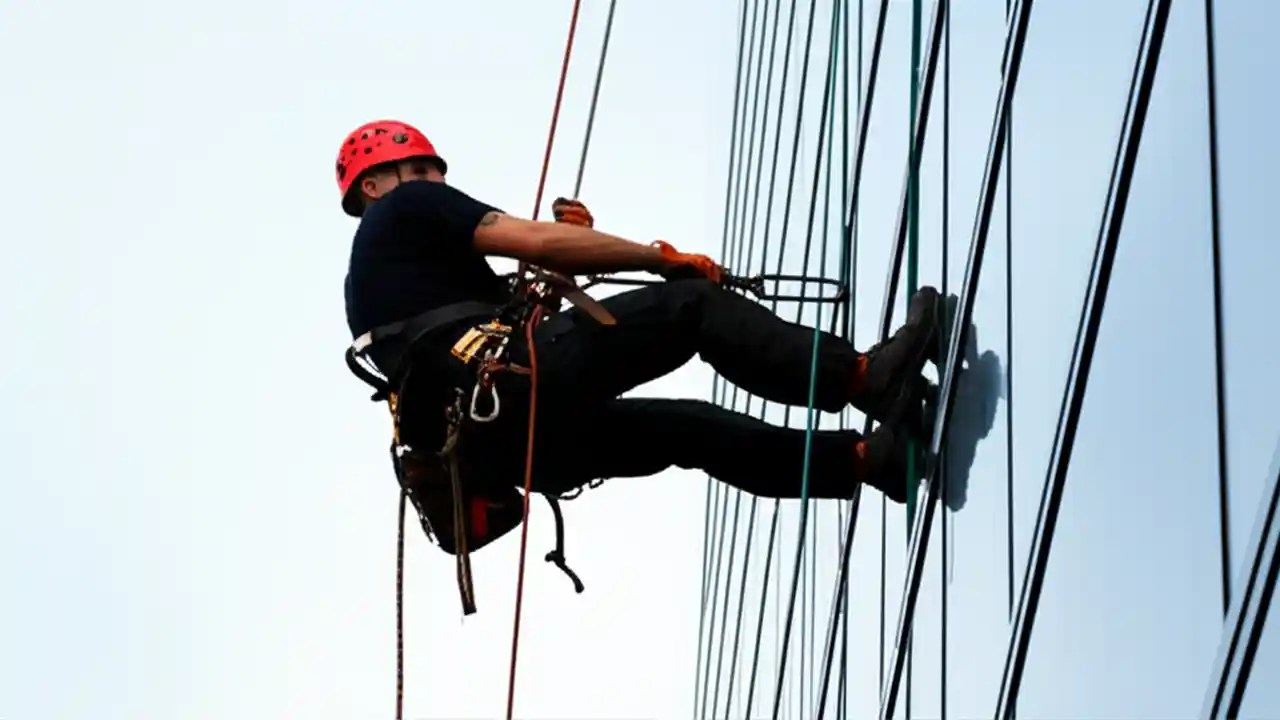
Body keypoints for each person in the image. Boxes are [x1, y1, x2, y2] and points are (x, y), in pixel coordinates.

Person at [338, 119, 942, 610]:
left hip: (515, 444)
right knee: (690, 307)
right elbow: (537, 247)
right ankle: (865, 377)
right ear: (374, 184)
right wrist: (658, 259)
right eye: (418, 171)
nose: (433, 182)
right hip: (514, 386)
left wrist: (567, 260)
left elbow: (536, 309)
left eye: (433, 173)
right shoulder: (407, 209)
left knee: (690, 431)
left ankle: (867, 464)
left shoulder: (387, 286)